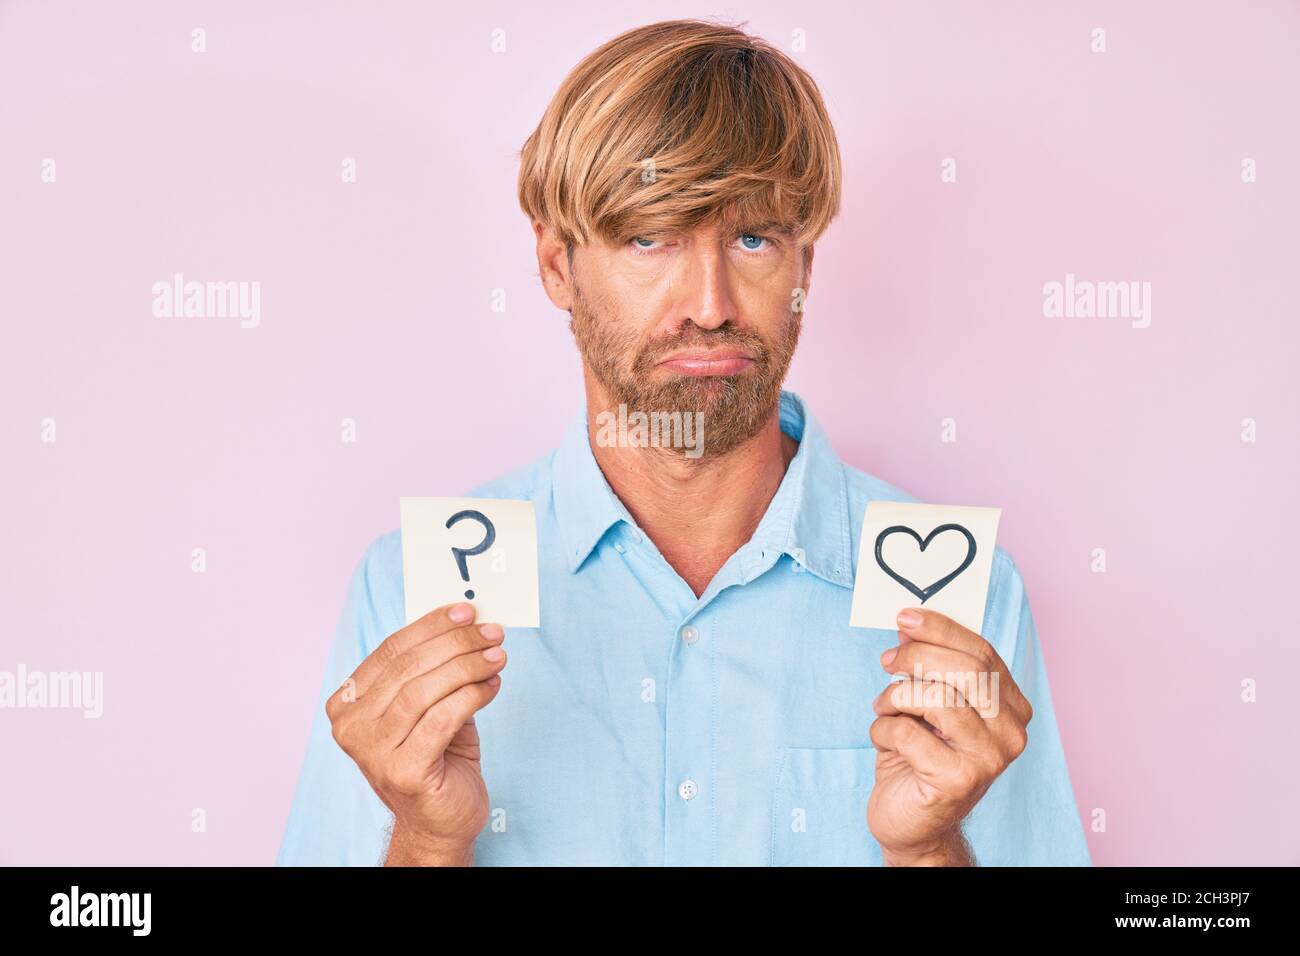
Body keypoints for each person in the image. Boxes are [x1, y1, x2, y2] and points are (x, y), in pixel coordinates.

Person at [276, 18, 1091, 866]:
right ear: (557, 265)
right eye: (649, 236)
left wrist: (929, 854)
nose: (710, 303)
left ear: (805, 266)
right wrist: (425, 841)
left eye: (754, 238)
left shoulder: (963, 592)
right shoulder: (410, 586)